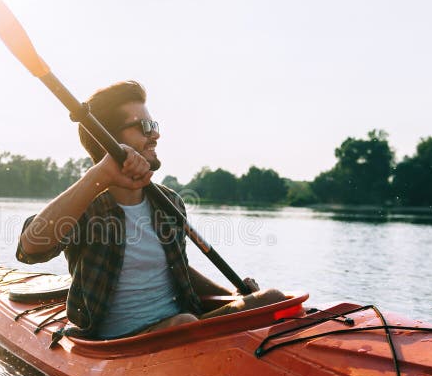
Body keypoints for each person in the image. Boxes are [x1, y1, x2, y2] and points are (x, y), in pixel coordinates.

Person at [16, 80, 285, 340]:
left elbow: (178, 268)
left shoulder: (169, 202)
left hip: (182, 325)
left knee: (271, 299)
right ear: (106, 140)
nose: (155, 134)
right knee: (184, 324)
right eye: (144, 126)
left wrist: (233, 296)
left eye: (153, 125)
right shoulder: (84, 204)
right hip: (120, 341)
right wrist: (99, 176)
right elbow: (29, 249)